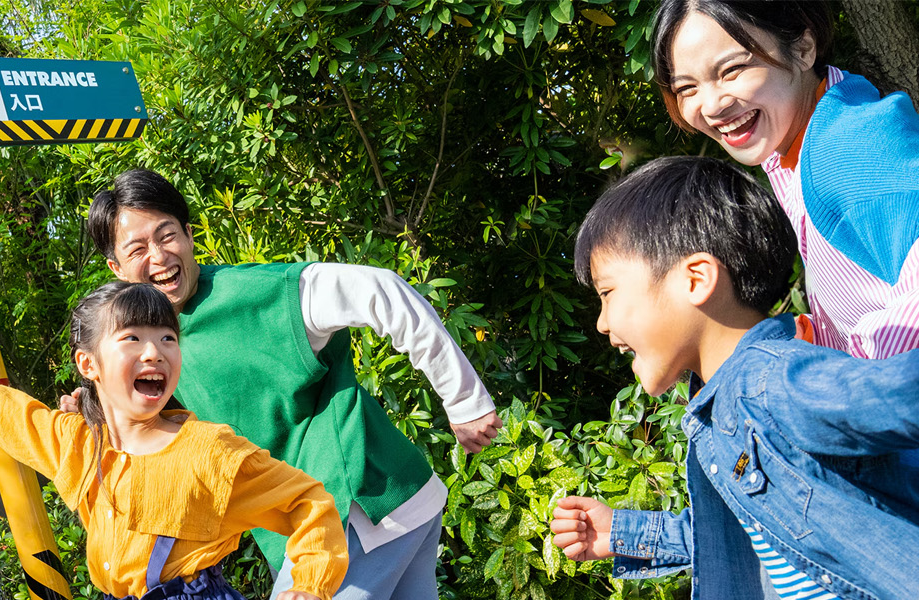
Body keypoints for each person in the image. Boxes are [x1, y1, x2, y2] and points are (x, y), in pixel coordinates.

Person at [62, 168, 502, 599]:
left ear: (190, 236)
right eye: (137, 248)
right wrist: (94, 410)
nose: (158, 257)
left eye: (166, 235)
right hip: (380, 509)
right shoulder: (148, 350)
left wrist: (465, 404)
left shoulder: (265, 293)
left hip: (356, 509)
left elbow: (381, 290)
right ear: (116, 268)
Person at [548, 156, 919, 599]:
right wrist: (621, 533)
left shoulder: (769, 382)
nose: (602, 324)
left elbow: (894, 397)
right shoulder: (721, 407)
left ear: (696, 279)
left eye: (608, 294)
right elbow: (754, 526)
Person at [0, 282, 350, 600]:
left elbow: (308, 503)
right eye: (132, 337)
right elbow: (11, 414)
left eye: (167, 338)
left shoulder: (210, 452)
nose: (154, 351)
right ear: (89, 364)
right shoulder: (77, 443)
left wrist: (311, 584)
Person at [651, 0, 919, 360]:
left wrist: (833, 388)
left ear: (804, 48)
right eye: (687, 89)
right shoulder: (793, 148)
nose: (711, 105)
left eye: (732, 69)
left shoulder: (850, 147)